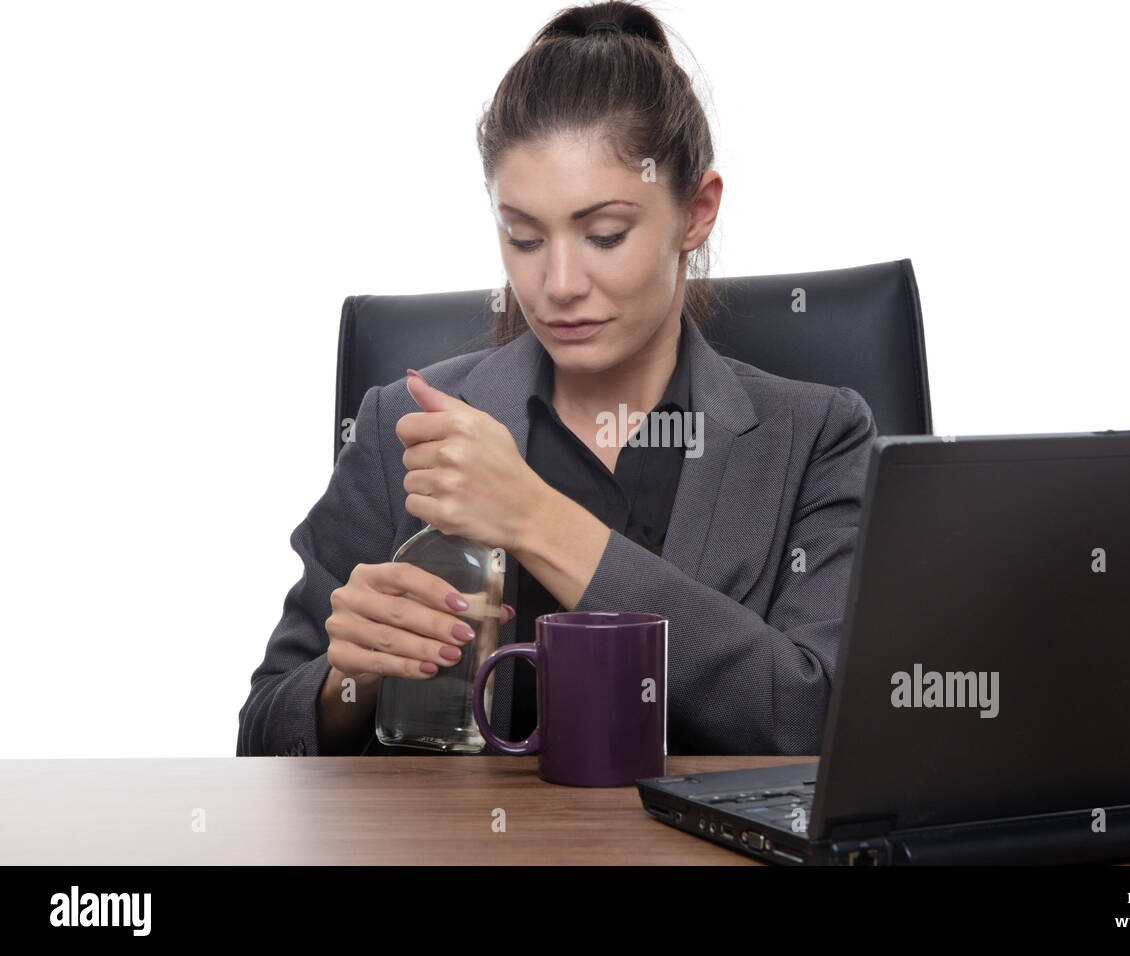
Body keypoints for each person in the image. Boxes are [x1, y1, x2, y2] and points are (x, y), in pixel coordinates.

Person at [236, 1, 876, 758]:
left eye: (605, 234)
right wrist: (349, 680)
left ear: (696, 213)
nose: (559, 283)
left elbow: (816, 718)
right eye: (524, 237)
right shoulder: (402, 424)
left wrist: (536, 517)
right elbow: (262, 736)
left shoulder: (817, 437)